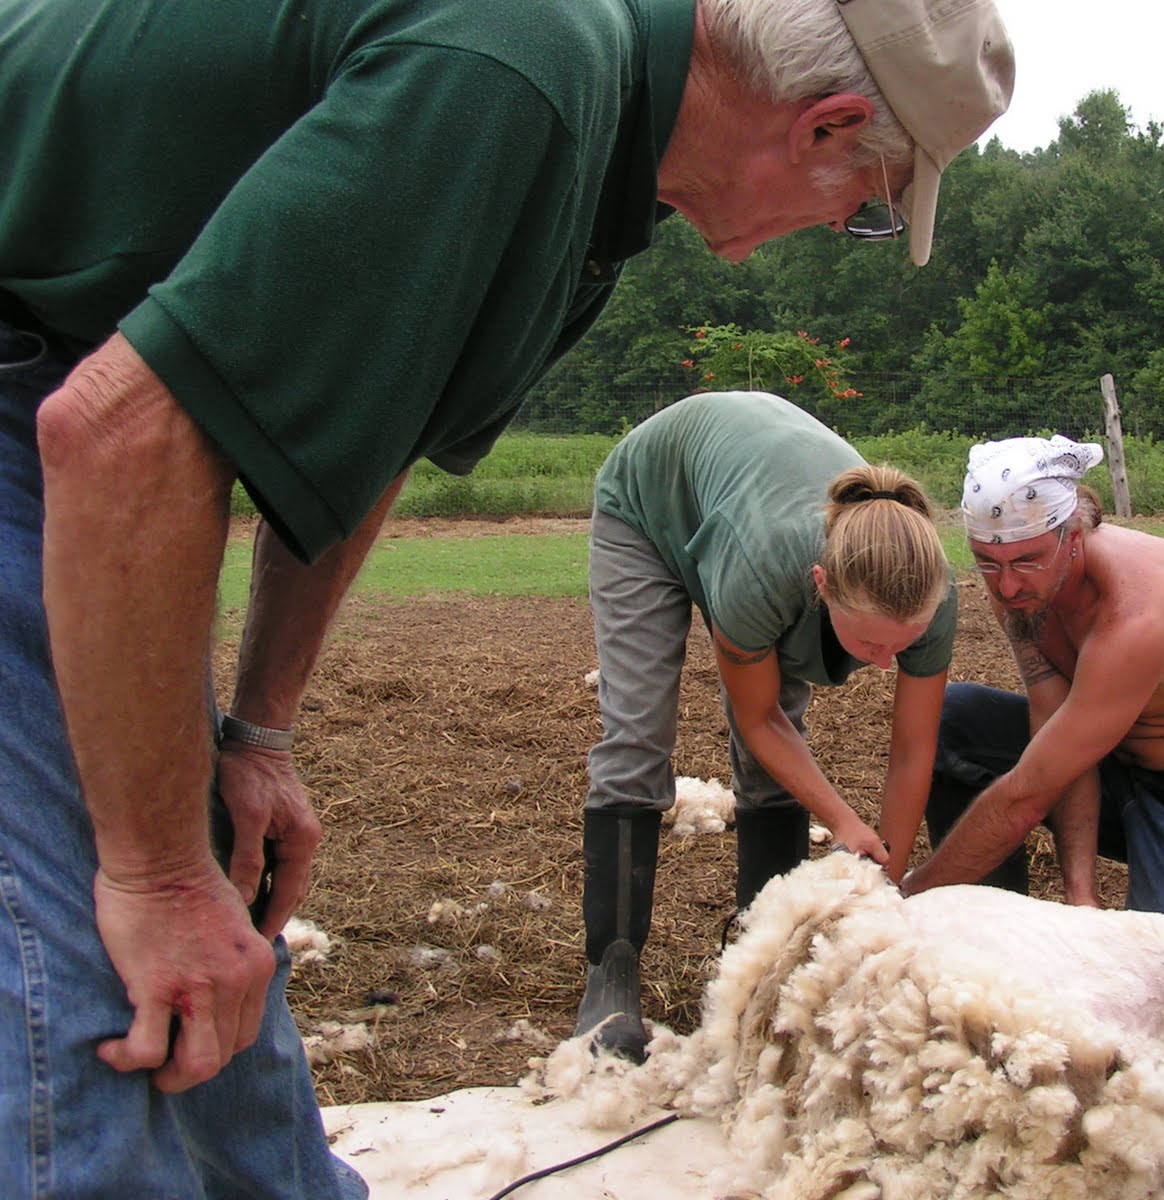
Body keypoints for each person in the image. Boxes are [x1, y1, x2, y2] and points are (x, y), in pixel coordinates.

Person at [0, 0, 1013, 1193]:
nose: (847, 225)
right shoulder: (524, 68)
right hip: (45, 372)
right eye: (872, 206)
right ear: (824, 126)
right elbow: (114, 437)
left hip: (81, 375)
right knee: (93, 978)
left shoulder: (597, 183)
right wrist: (158, 874)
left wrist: (257, 733)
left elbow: (369, 435)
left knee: (216, 924)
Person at [579, 390, 957, 1060]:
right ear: (821, 585)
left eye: (904, 643)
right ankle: (610, 974)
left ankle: (765, 961)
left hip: (746, 502)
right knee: (639, 735)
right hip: (651, 508)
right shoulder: (768, 567)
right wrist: (843, 819)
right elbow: (758, 718)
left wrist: (883, 877)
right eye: (870, 645)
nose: (887, 660)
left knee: (772, 771)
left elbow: (913, 748)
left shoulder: (927, 588)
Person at [901, 434, 1164, 1044]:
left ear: (1074, 536)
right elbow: (1055, 733)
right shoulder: (1024, 581)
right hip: (1117, 759)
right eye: (987, 561)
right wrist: (1080, 895)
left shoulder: (1137, 615)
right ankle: (983, 938)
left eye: (1026, 561)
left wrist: (901, 905)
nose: (1006, 586)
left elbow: (1025, 798)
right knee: (957, 720)